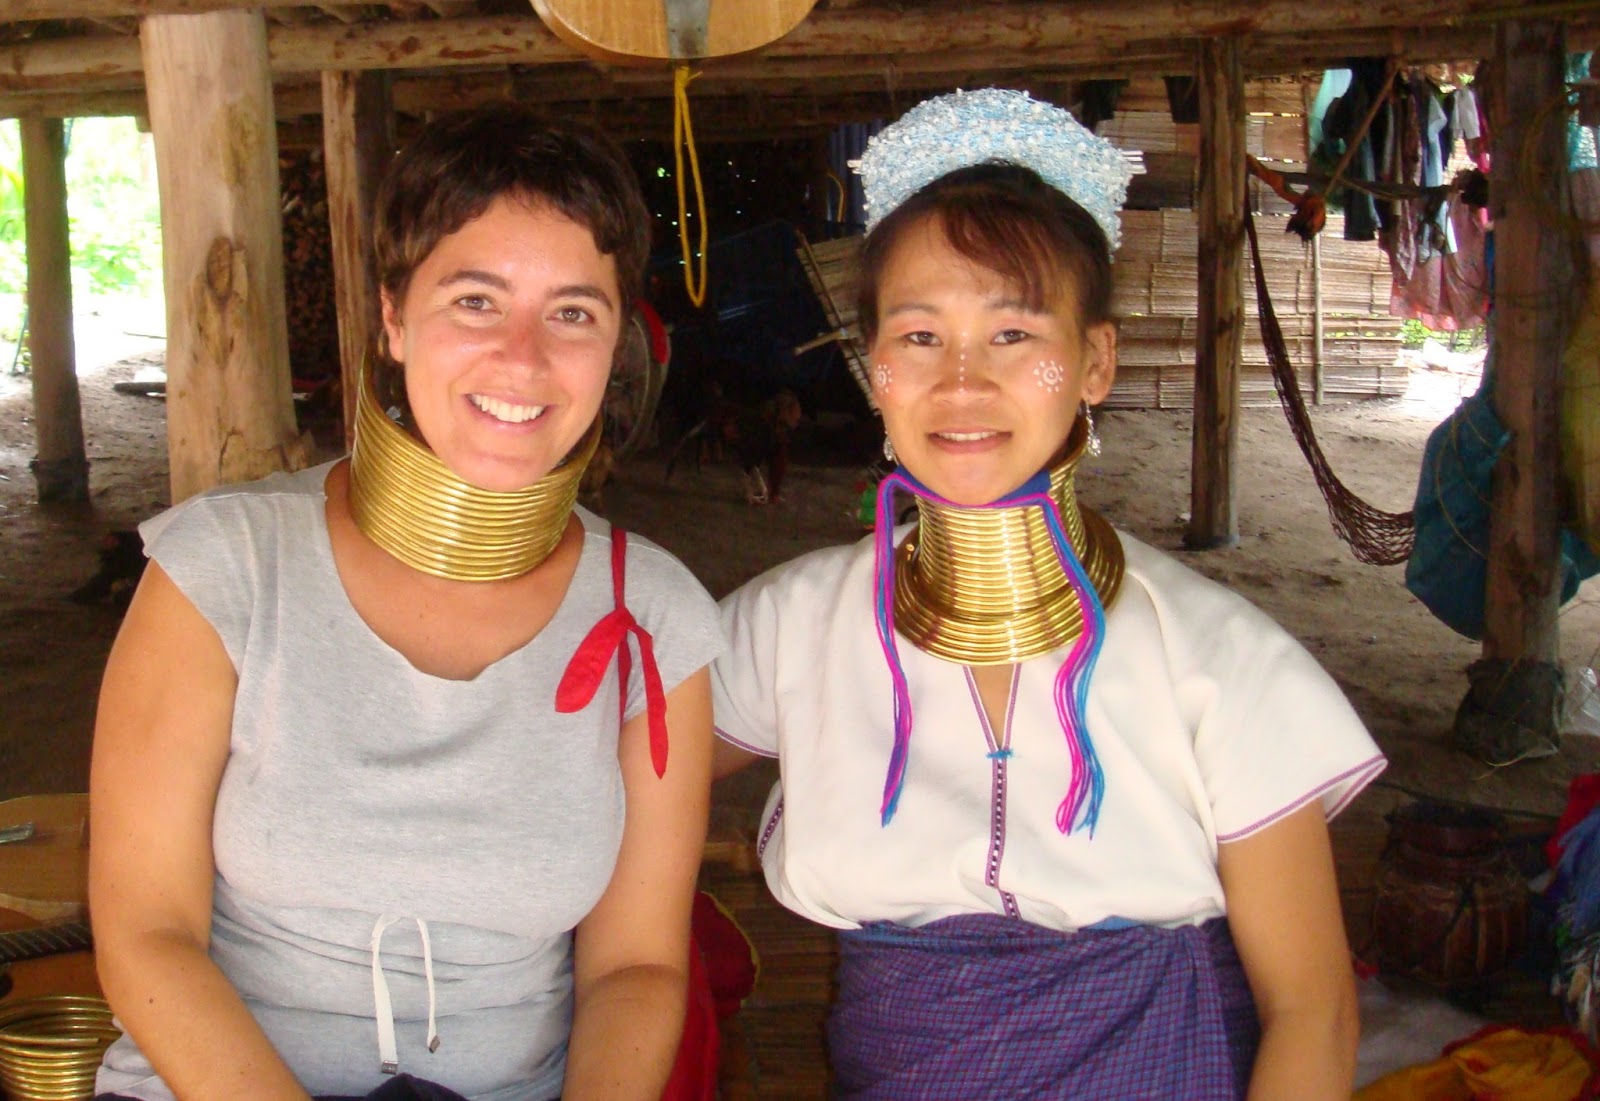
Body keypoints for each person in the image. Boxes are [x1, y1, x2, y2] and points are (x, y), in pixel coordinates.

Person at [711, 89, 1386, 1101]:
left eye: (1015, 334)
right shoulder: (788, 626)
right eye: (919, 336)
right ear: (874, 367)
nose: (963, 381)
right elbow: (611, 777)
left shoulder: (1219, 660)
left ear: (1095, 361)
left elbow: (1312, 1013)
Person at [89, 103, 722, 1101]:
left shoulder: (656, 616)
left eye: (572, 312)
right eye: (475, 301)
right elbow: (145, 933)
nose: (523, 359)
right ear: (392, 317)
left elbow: (635, 968)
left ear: (614, 344)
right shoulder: (224, 567)